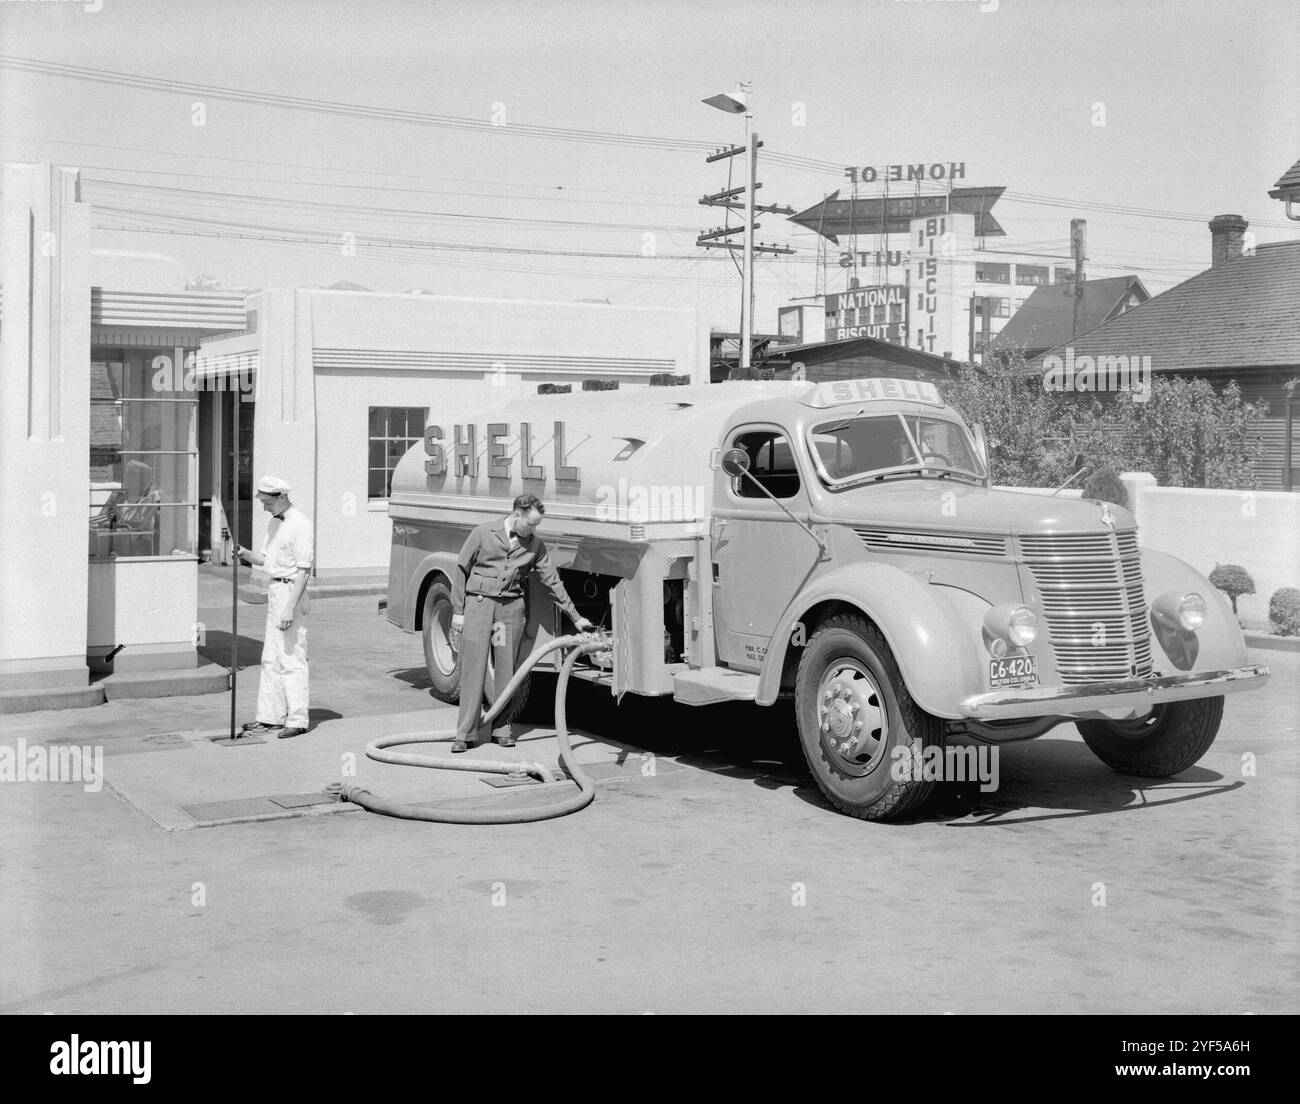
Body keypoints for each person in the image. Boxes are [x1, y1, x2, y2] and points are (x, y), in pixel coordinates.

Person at [449, 493, 594, 752]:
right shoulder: (483, 533)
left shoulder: (535, 545)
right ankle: (465, 733)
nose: (534, 529)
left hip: (510, 611)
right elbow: (461, 569)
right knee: (474, 666)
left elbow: (552, 582)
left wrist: (575, 616)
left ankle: (501, 728)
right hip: (480, 606)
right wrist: (458, 612)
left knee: (507, 670)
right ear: (516, 515)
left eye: (537, 525)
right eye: (531, 523)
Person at [236, 476, 313, 739]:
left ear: (281, 497)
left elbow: (304, 570)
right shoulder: (273, 524)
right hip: (275, 590)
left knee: (292, 657)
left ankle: (298, 719)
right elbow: (265, 560)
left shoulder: (300, 524)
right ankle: (270, 717)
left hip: (291, 592)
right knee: (271, 657)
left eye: (268, 502)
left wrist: (290, 608)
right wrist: (243, 553)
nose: (264, 507)